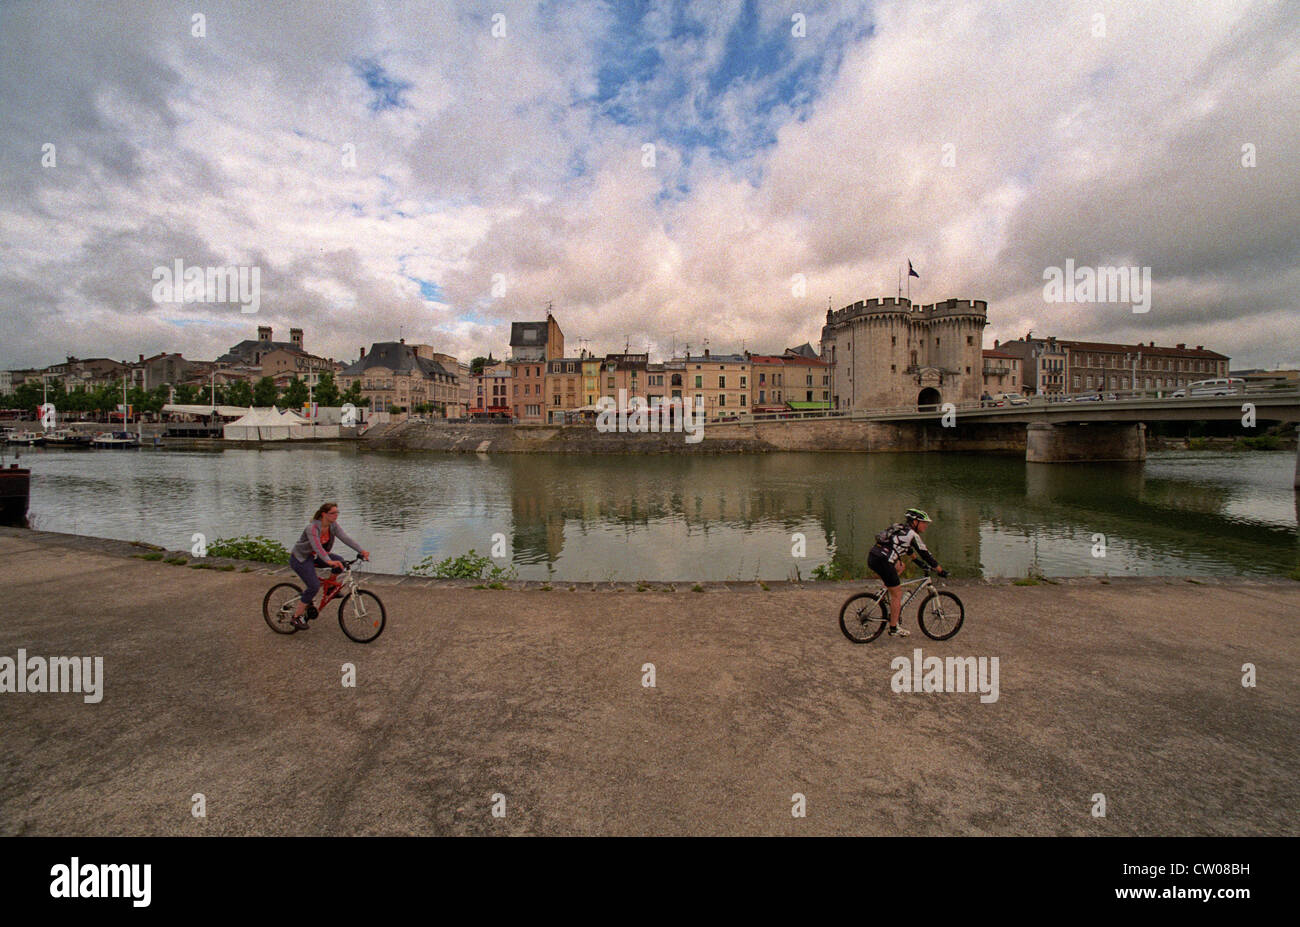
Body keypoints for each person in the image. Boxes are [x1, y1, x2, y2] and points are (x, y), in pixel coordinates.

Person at [867, 508, 948, 637]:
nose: (926, 526)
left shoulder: (899, 528)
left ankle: (882, 593)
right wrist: (940, 570)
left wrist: (917, 562)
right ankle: (894, 628)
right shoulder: (912, 535)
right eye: (924, 523)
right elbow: (926, 554)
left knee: (900, 566)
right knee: (897, 594)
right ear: (915, 522)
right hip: (884, 562)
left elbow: (907, 548)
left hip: (873, 557)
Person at [288, 502, 369, 629]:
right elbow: (317, 547)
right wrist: (328, 560)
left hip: (317, 556)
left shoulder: (333, 526)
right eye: (333, 513)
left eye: (337, 513)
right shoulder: (312, 528)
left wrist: (361, 551)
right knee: (313, 586)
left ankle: (331, 588)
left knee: (340, 563)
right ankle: (296, 617)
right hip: (301, 559)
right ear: (324, 514)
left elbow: (345, 538)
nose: (336, 515)